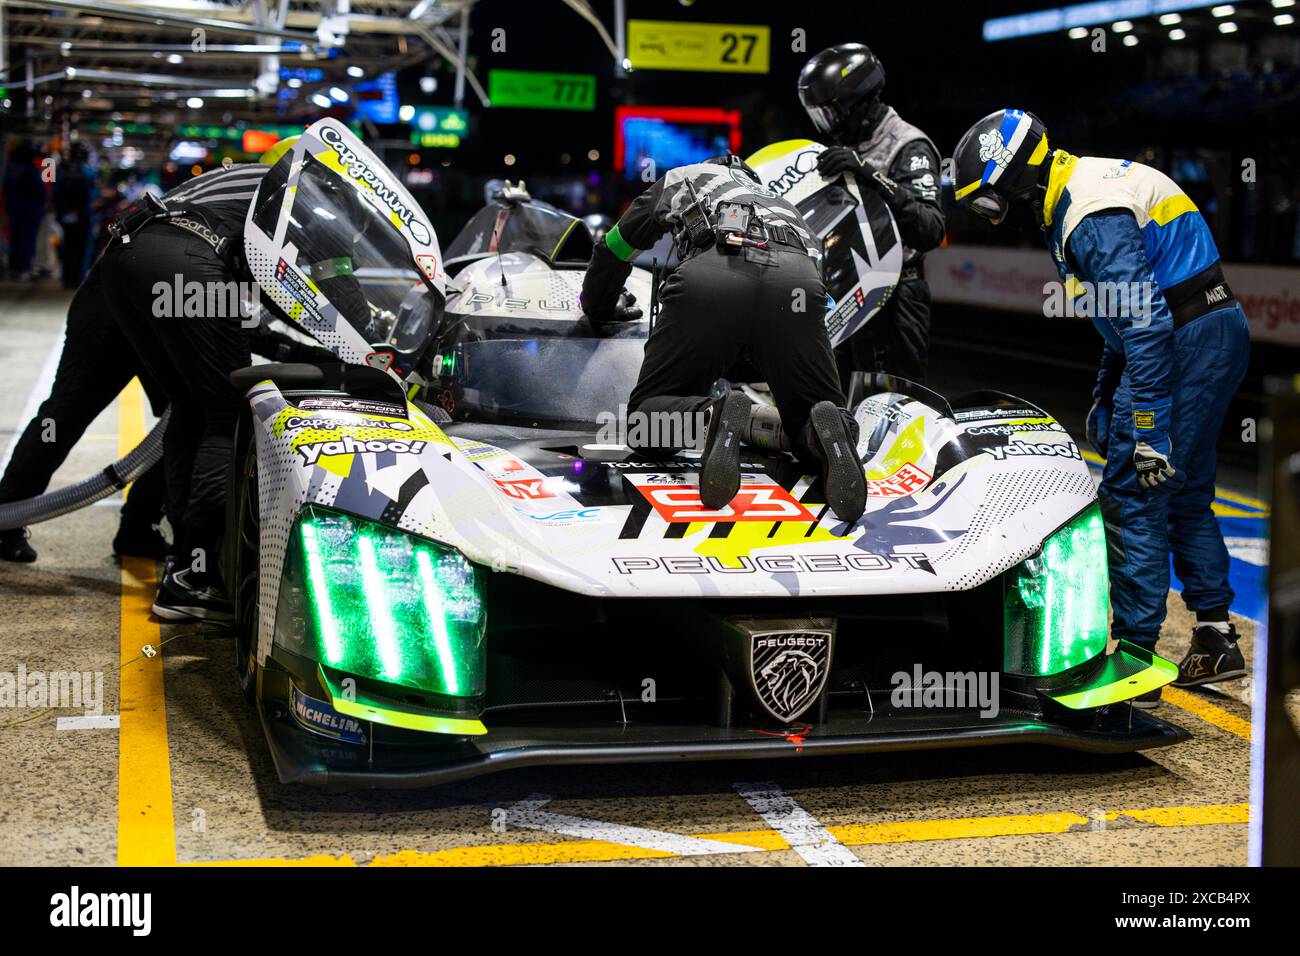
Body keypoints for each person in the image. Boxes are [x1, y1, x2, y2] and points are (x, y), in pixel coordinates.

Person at [950, 108, 1252, 704]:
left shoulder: (1089, 214)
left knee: (1135, 488)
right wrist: (1103, 391)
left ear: (1013, 179)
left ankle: (1137, 657)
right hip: (1206, 332)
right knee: (1183, 489)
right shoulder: (1079, 193)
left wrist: (1147, 429)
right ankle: (1215, 639)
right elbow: (1124, 317)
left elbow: (1144, 324)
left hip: (1183, 339)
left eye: (988, 201)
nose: (993, 216)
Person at [581, 155, 866, 523]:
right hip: (798, 284)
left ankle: (710, 416)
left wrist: (599, 306)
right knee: (806, 427)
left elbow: (613, 250)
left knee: (644, 422)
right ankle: (832, 429)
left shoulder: (684, 177)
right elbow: (794, 313)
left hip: (713, 277)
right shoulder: (785, 206)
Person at [797, 43, 945, 385]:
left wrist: (871, 176)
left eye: (830, 114)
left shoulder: (909, 145)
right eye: (819, 117)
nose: (828, 127)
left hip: (897, 297)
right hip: (846, 294)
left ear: (858, 103)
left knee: (893, 402)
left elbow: (931, 229)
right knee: (837, 397)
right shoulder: (845, 146)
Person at [0, 263, 169, 563]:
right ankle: (6, 520)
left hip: (166, 314)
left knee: (187, 421)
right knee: (60, 420)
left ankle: (139, 527)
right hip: (108, 314)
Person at [53, 143, 97, 289]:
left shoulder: (61, 171)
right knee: (82, 248)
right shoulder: (88, 172)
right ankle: (78, 278)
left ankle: (67, 278)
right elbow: (91, 195)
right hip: (83, 216)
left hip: (66, 215)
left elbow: (56, 193)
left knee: (67, 247)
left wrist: (62, 211)